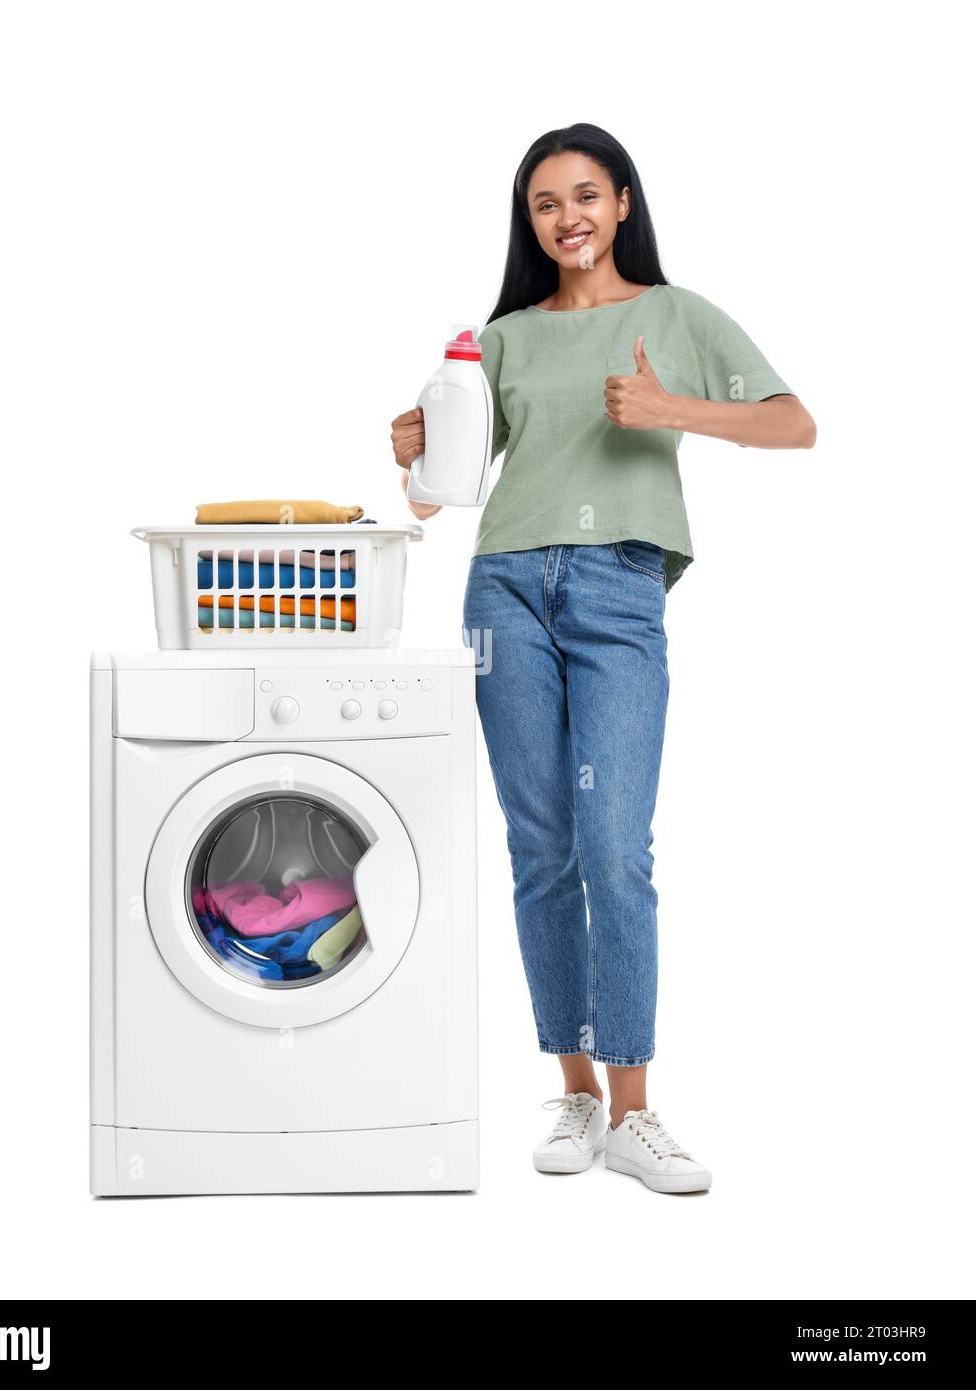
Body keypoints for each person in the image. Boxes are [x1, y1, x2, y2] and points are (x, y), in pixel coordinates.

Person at [390, 123, 815, 1195]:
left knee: (616, 847)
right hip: (507, 590)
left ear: (623, 202)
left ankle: (635, 1112)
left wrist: (671, 409)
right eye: (545, 203)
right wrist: (414, 448)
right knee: (542, 848)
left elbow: (796, 423)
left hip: (621, 588)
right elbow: (437, 495)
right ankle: (575, 1089)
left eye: (586, 193)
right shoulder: (502, 339)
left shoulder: (677, 315)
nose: (568, 215)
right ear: (529, 223)